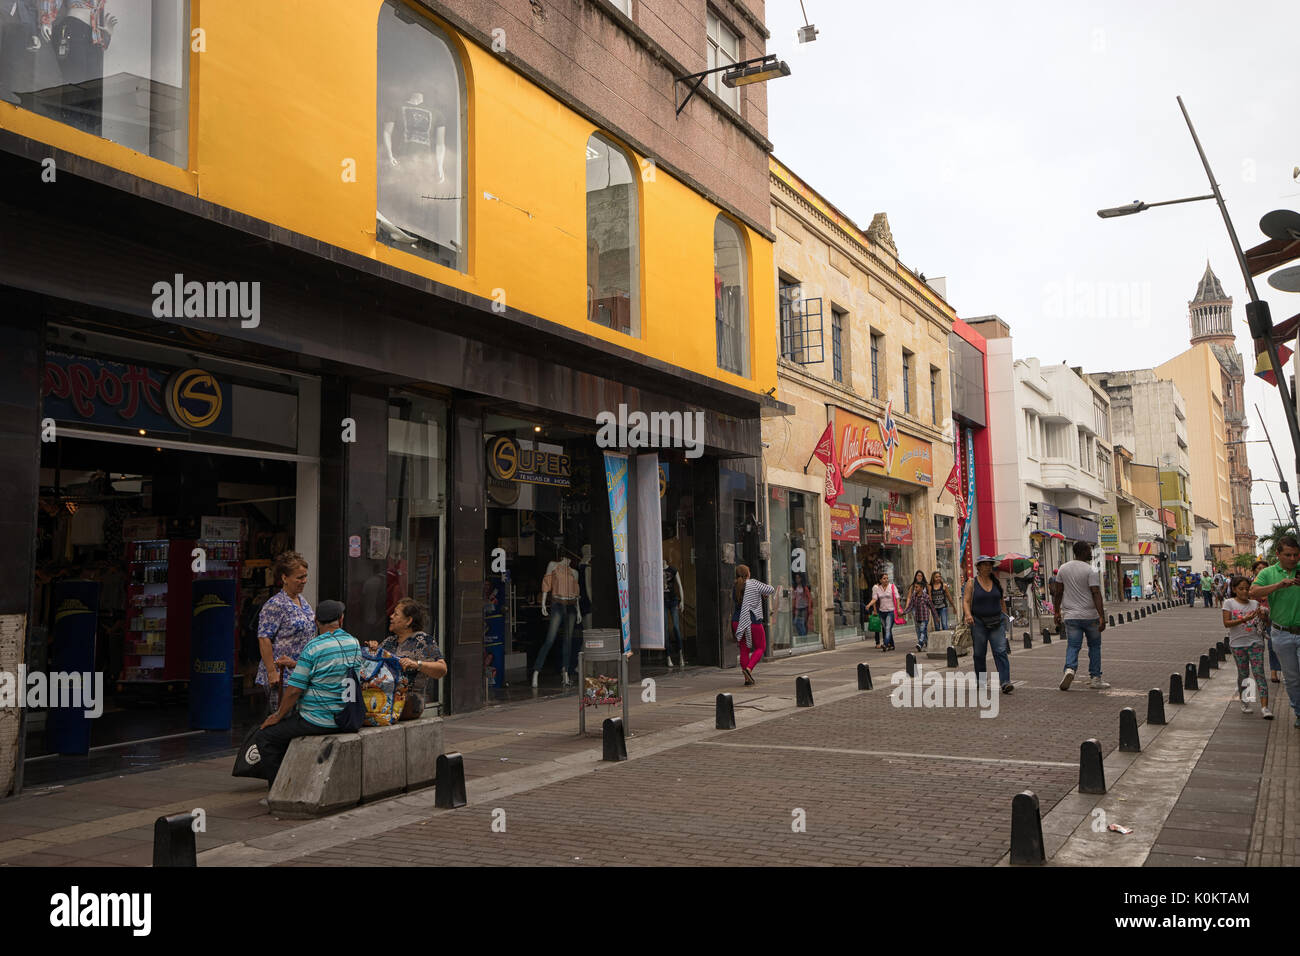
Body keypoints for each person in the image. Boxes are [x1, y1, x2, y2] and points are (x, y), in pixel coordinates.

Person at [250, 600, 363, 787]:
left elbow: (294, 690)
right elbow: (329, 668)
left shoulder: (313, 647)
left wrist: (278, 715)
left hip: (319, 720)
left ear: (316, 621)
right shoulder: (353, 643)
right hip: (347, 717)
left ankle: (279, 787)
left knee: (265, 736)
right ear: (341, 620)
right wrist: (297, 664)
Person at [256, 551, 316, 711]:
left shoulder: (301, 600)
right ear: (284, 578)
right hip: (283, 676)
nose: (304, 581)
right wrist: (271, 672)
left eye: (305, 576)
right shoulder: (275, 604)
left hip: (300, 672)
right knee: (282, 719)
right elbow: (264, 638)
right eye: (299, 577)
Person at [1251, 538, 1300, 727]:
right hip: (1281, 633)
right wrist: (1279, 585)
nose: (1293, 558)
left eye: (1296, 554)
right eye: (1288, 555)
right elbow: (1254, 592)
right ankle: (1298, 711)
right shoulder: (1268, 573)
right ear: (1278, 555)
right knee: (1292, 678)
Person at [378, 597, 446, 720]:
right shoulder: (389, 641)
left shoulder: (422, 640)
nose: (391, 616)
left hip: (409, 701)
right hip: (385, 696)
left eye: (396, 614)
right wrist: (373, 651)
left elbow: (442, 669)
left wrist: (417, 664)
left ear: (408, 620)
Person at [1054, 542, 1109, 690]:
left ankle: (1070, 669)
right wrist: (1101, 616)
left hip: (1071, 616)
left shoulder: (1063, 569)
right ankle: (1095, 678)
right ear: (1083, 551)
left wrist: (1056, 611)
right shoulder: (1090, 570)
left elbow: (1058, 592)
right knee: (1094, 646)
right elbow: (1096, 593)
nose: (1091, 553)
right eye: (1089, 550)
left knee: (1073, 645)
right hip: (1090, 616)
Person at [1223, 575, 1272, 719]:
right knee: (1244, 674)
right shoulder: (1229, 603)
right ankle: (1246, 701)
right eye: (1241, 589)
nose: (1245, 592)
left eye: (1247, 588)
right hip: (1238, 644)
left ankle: (1265, 707)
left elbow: (1267, 624)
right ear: (1234, 589)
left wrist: (1264, 618)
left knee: (1259, 673)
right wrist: (1245, 619)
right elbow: (1226, 623)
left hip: (1255, 642)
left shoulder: (1255, 604)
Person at [964, 555, 1013, 694]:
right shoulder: (971, 582)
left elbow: (1001, 600)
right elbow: (966, 601)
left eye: (989, 564)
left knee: (1001, 651)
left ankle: (1005, 682)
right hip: (978, 622)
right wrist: (968, 615)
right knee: (979, 653)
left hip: (996, 621)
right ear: (978, 567)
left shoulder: (995, 582)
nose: (987, 567)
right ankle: (981, 681)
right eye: (984, 564)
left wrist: (1005, 617)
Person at [733, 564, 775, 686]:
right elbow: (771, 589)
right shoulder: (753, 583)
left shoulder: (735, 586)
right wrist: (761, 593)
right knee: (761, 647)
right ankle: (749, 669)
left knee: (744, 649)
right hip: (752, 621)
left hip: (737, 621)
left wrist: (759, 594)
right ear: (748, 573)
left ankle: (747, 679)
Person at [1252, 559, 1283, 684]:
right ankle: (1258, 672)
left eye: (1264, 568)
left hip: (1270, 616)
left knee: (1272, 646)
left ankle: (1274, 671)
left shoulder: (1272, 582)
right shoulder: (1251, 584)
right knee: (1257, 646)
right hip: (1255, 617)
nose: (1261, 570)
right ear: (1254, 571)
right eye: (1259, 568)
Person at [865, 572, 901, 652]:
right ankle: (892, 645)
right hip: (882, 612)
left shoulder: (892, 586)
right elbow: (874, 599)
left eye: (887, 578)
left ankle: (885, 643)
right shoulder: (877, 588)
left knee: (888, 628)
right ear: (880, 580)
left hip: (890, 611)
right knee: (886, 628)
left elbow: (897, 597)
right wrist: (869, 605)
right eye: (884, 578)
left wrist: (898, 608)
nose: (886, 580)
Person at [904, 570, 934, 653]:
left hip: (924, 610)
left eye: (920, 575)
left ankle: (921, 643)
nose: (919, 577)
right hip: (915, 609)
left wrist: (932, 610)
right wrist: (906, 609)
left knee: (922, 628)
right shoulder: (913, 586)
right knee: (918, 627)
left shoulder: (926, 586)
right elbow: (909, 598)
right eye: (918, 575)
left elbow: (930, 599)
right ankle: (921, 642)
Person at [790, 571, 813, 638]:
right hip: (797, 607)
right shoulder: (795, 587)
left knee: (803, 623)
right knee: (796, 622)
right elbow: (794, 598)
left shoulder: (804, 588)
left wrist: (809, 608)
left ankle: (803, 637)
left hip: (804, 607)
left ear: (801, 578)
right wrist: (793, 607)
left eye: (798, 578)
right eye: (796, 578)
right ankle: (802, 636)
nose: (797, 579)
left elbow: (809, 598)